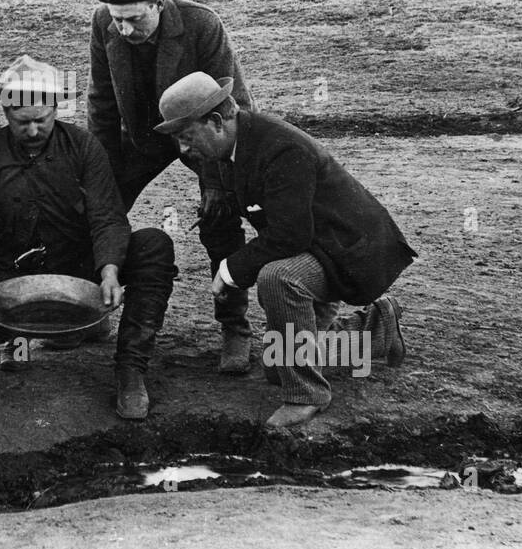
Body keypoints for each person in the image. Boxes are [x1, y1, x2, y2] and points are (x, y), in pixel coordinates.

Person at [154, 73, 417, 429]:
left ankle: (306, 396)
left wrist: (231, 270)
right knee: (279, 367)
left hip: (352, 252)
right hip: (318, 246)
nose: (183, 150)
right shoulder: (234, 146)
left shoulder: (278, 146)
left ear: (216, 121)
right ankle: (374, 331)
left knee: (276, 277)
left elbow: (290, 235)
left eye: (186, 137)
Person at [0, 56, 176, 419]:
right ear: (6, 113)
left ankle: (131, 369)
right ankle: (21, 336)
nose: (34, 130)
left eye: (42, 119)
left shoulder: (84, 147)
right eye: (23, 122)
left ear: (55, 109)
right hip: (17, 274)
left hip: (79, 266)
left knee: (154, 245)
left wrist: (110, 270)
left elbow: (107, 217)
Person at [88, 0, 258, 374]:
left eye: (134, 20)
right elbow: (101, 104)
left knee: (219, 218)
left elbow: (229, 110)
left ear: (159, 3)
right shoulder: (103, 23)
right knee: (94, 211)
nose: (124, 30)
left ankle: (234, 326)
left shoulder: (202, 24)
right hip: (139, 138)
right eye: (118, 20)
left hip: (201, 134)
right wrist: (98, 175)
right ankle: (91, 310)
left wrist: (217, 183)